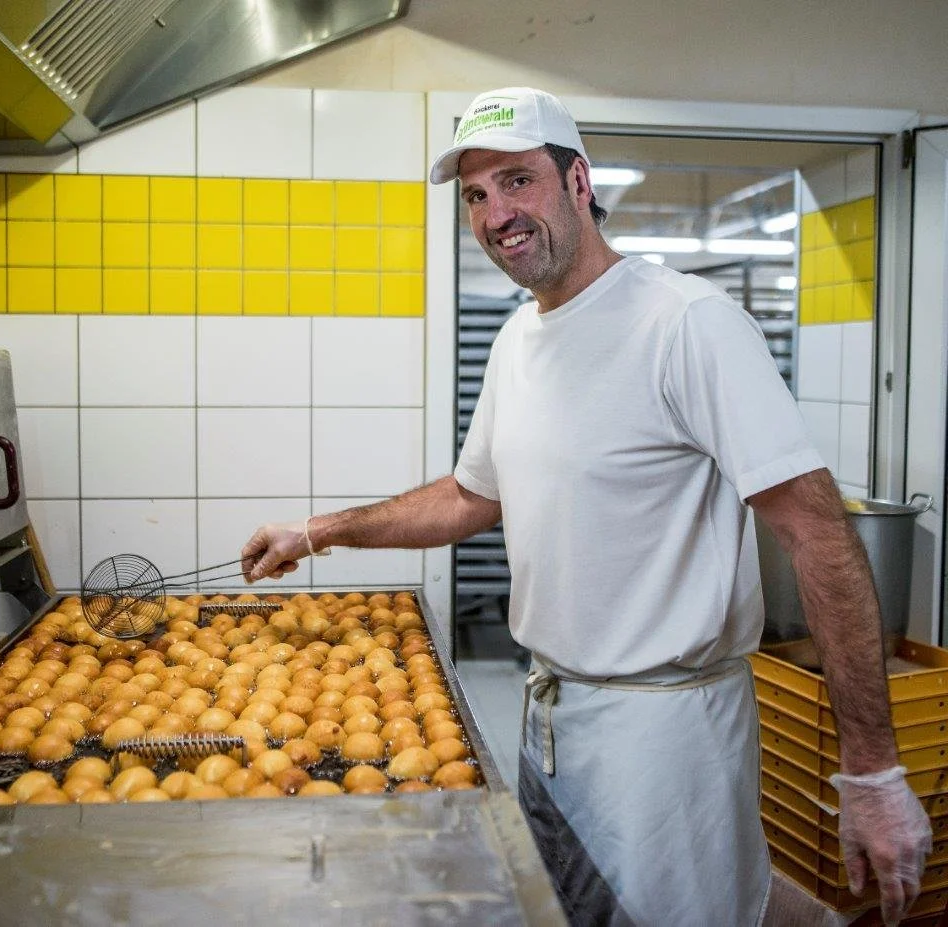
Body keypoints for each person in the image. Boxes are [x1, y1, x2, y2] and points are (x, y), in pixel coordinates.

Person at [241, 87, 932, 925]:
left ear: (577, 180)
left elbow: (815, 531)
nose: (496, 214)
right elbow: (469, 496)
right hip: (551, 715)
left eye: (515, 181)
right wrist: (318, 533)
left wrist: (872, 771)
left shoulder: (687, 324)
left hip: (666, 738)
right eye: (475, 195)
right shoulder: (518, 338)